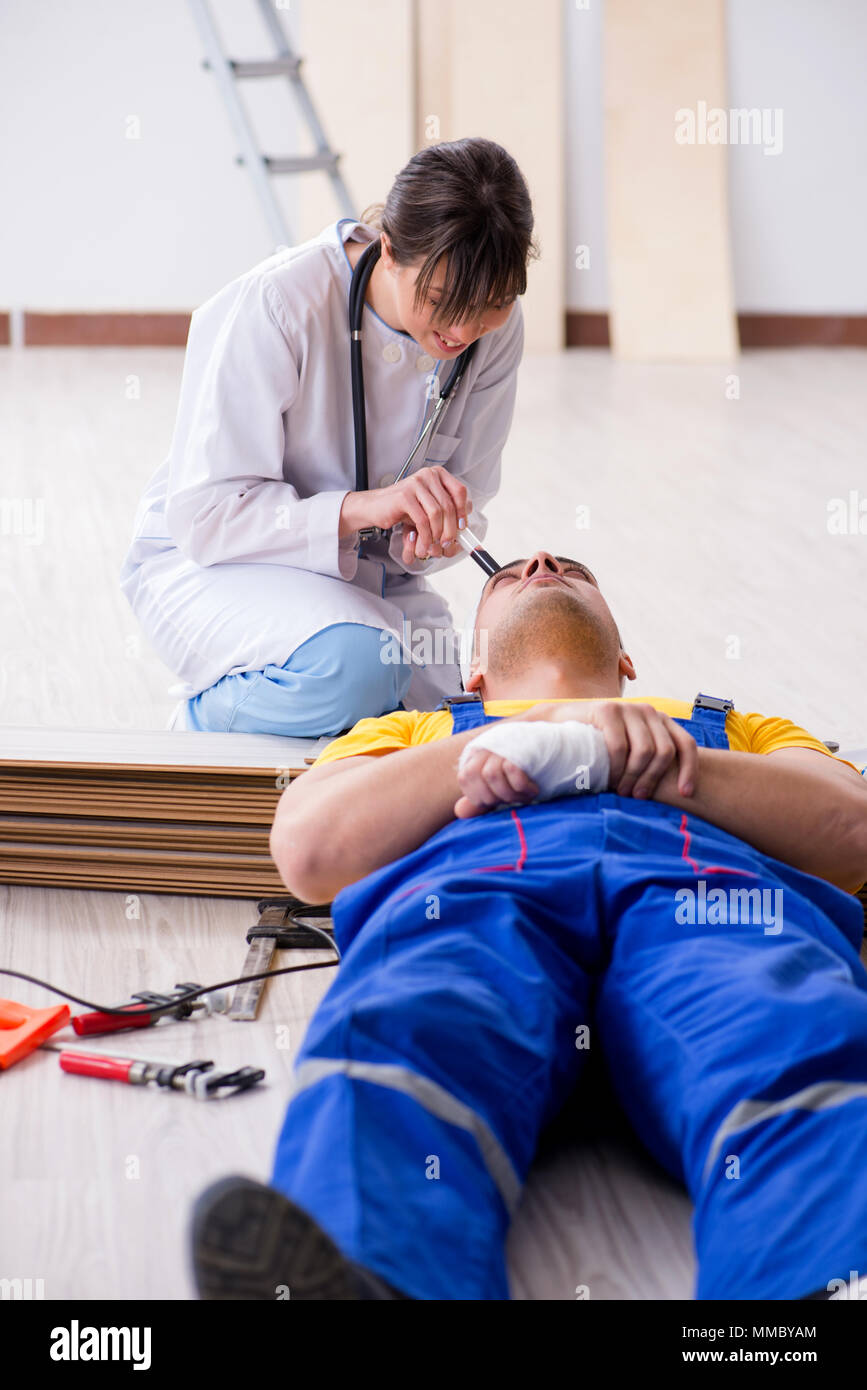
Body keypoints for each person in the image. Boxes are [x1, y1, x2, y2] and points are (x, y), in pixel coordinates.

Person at [189, 550, 867, 1300]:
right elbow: (309, 850)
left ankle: (824, 1289)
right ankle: (375, 1278)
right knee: (406, 1019)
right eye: (506, 575)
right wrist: (531, 732)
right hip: (476, 901)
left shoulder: (737, 726)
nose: (540, 559)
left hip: (708, 904)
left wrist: (629, 753)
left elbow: (851, 831)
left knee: (790, 1026)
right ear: (472, 673)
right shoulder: (413, 729)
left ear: (627, 659)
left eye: (570, 566)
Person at [119, 138, 536, 735]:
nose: (464, 330)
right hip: (213, 562)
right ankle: (204, 723)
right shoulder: (276, 303)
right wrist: (364, 509)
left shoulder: (497, 332)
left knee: (467, 730)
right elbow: (205, 515)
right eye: (443, 301)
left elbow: (469, 486)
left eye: (491, 304)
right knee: (358, 673)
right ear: (389, 250)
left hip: (369, 580)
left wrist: (426, 533)